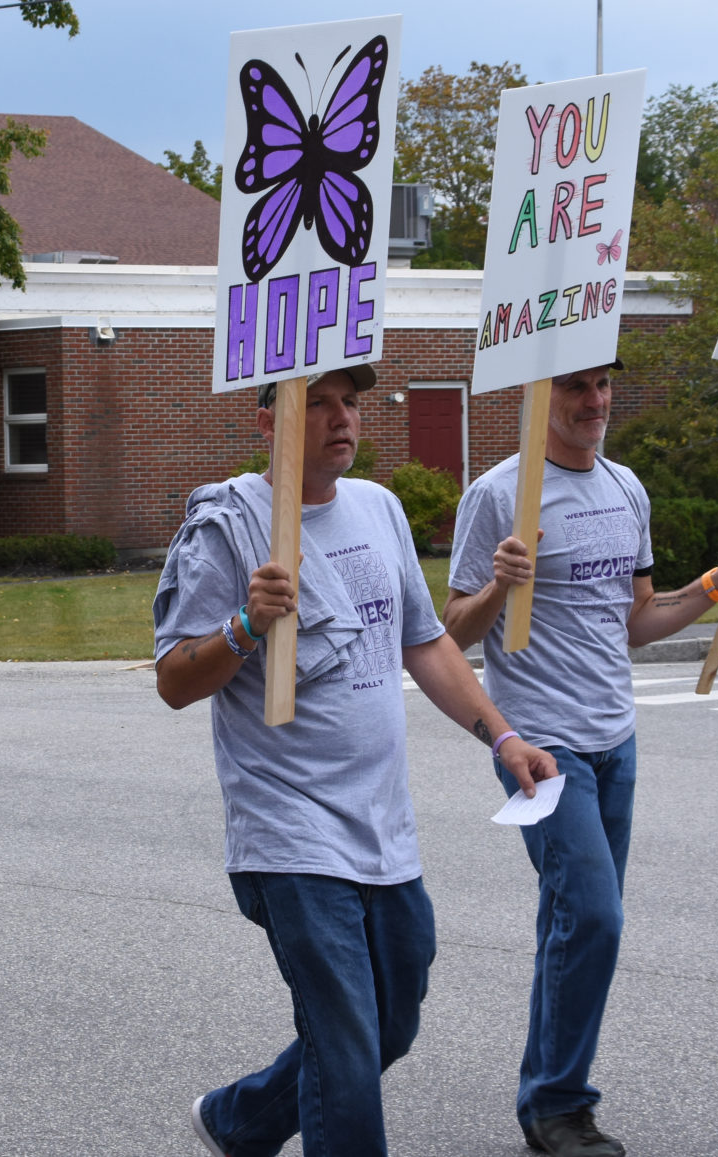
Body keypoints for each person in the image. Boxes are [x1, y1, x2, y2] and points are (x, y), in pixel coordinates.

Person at [154, 365, 558, 1157]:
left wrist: (503, 736)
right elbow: (174, 680)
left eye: (351, 403)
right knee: (344, 1047)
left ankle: (241, 1120)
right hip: (290, 832)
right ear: (269, 424)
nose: (343, 419)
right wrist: (243, 626)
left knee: (389, 1025)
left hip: (384, 830)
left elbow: (426, 641)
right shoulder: (229, 528)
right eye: (319, 404)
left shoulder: (380, 509)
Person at [442, 364, 718, 1157]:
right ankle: (558, 1103)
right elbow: (452, 630)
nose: (595, 402)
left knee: (575, 921)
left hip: (616, 743)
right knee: (592, 916)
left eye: (603, 387)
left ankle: (550, 1094)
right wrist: (498, 585)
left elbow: (636, 620)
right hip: (543, 751)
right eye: (575, 386)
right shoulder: (500, 495)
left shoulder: (626, 489)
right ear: (539, 396)